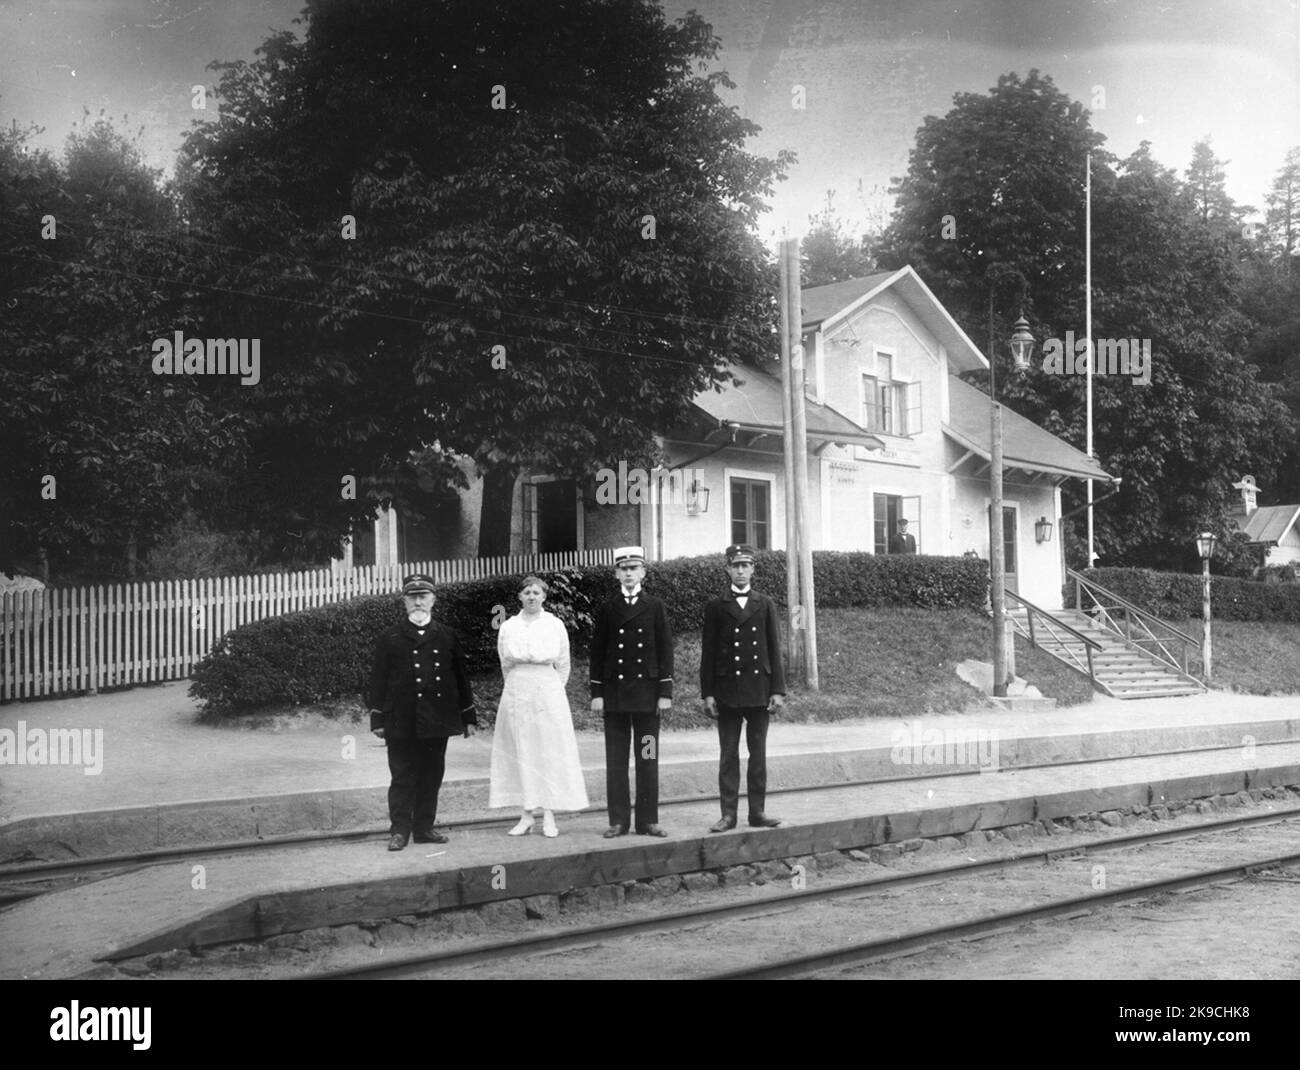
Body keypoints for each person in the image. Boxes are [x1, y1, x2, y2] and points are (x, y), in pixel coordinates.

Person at [368, 574, 477, 851]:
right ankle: (399, 830)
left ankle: (424, 828)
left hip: (437, 716)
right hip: (399, 718)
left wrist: (468, 716)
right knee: (402, 775)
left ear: (433, 600)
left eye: (423, 596)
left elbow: (461, 678)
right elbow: (378, 680)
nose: (418, 602)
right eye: (412, 597)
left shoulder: (447, 635)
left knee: (431, 774)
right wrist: (377, 717)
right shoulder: (389, 636)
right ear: (404, 601)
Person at [488, 576, 589, 837]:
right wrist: (516, 687)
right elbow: (504, 664)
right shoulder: (508, 626)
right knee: (522, 749)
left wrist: (552, 691)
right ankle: (526, 814)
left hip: (547, 689)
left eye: (536, 592)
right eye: (526, 592)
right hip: (517, 688)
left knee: (548, 750)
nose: (531, 596)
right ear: (519, 597)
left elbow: (564, 664)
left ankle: (550, 816)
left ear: (544, 596)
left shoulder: (554, 625)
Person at [699, 544, 786, 831]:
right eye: (735, 565)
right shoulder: (715, 606)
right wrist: (708, 693)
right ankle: (728, 815)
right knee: (728, 755)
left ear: (753, 570)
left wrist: (778, 690)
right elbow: (708, 654)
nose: (740, 571)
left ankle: (757, 813)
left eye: (745, 565)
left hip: (759, 690)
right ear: (727, 568)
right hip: (727, 691)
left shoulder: (765, 603)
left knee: (757, 755)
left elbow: (774, 648)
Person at [589, 546, 673, 838]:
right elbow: (597, 652)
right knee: (616, 759)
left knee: (647, 757)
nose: (628, 573)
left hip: (648, 698)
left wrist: (665, 692)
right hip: (615, 697)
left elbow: (665, 650)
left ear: (643, 573)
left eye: (633, 568)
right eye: (623, 569)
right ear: (616, 574)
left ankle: (647, 820)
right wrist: (597, 693)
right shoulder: (608, 608)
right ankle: (619, 821)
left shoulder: (656, 606)